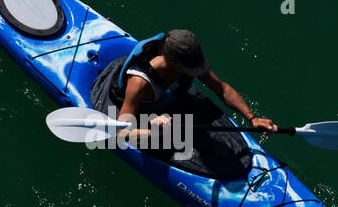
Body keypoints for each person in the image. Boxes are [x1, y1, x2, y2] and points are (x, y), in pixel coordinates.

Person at [108, 29, 277, 137]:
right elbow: (120, 132)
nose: (198, 73)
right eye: (192, 70)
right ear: (173, 61)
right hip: (145, 115)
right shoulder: (139, 83)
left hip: (169, 103)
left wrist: (252, 118)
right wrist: (153, 131)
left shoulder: (186, 60)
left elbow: (221, 88)